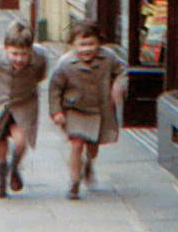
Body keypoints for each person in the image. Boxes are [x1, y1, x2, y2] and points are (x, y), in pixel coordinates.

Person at [48, 19, 127, 200]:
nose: (86, 49)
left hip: (99, 109)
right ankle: (74, 183)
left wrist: (118, 84)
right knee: (77, 144)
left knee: (92, 147)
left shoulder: (108, 58)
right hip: (75, 109)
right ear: (73, 45)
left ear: (99, 43)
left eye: (91, 44)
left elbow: (123, 70)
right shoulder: (65, 64)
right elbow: (55, 88)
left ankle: (89, 163)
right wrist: (56, 111)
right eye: (82, 45)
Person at [0, 20, 48, 198]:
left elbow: (42, 72)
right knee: (0, 144)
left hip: (23, 105)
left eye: (24, 54)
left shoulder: (39, 56)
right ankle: (1, 184)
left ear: (31, 50)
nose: (19, 59)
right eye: (14, 54)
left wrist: (33, 81)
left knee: (21, 141)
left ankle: (14, 168)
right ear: (5, 48)